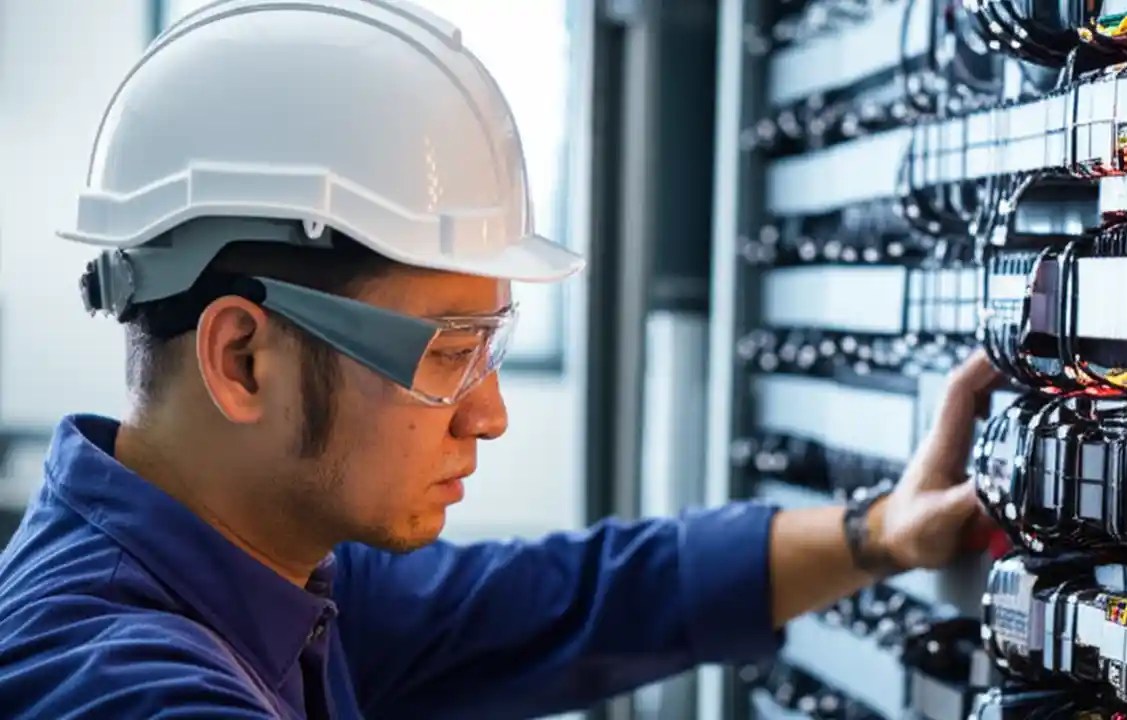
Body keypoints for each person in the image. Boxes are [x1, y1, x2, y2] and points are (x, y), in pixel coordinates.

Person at [0, 2, 1001, 718]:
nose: (488, 415)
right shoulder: (113, 681)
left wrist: (880, 533)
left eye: (492, 349)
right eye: (445, 354)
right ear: (242, 359)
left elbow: (576, 598)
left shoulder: (278, 574)